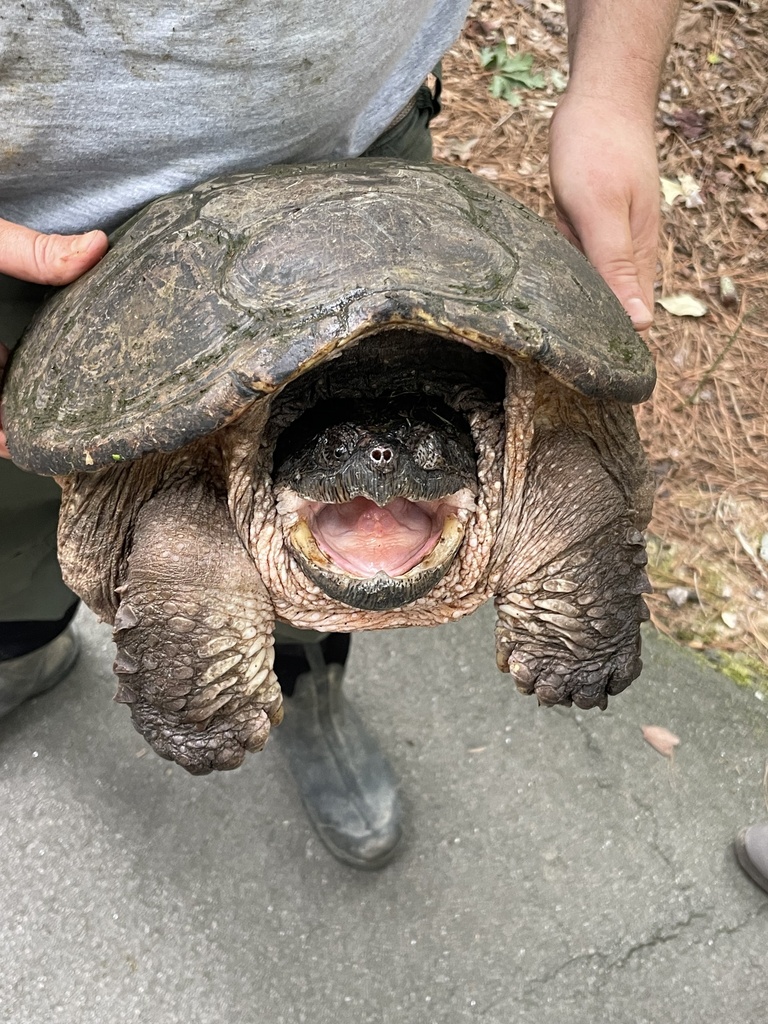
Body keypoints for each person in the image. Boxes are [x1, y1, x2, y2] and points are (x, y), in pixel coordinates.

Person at [0, 0, 682, 869]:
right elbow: (184, 540)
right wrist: (193, 687)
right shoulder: (218, 507)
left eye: (406, 458)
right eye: (358, 460)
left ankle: (307, 684)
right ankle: (19, 648)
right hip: (37, 226)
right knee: (17, 510)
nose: (383, 467)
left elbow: (570, 489)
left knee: (182, 555)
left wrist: (614, 95)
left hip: (370, 166)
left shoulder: (531, 463)